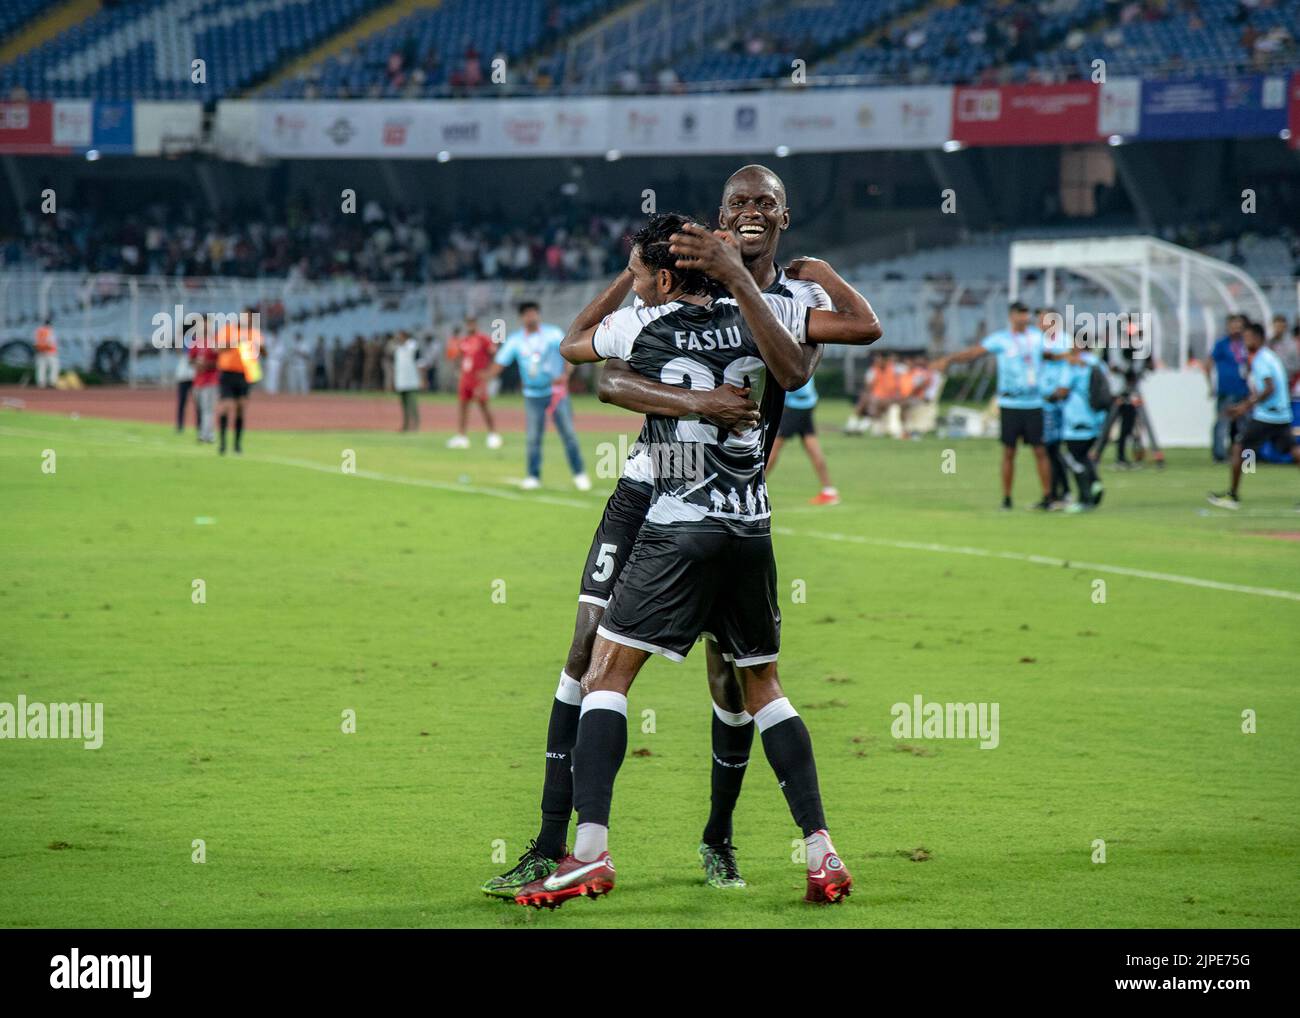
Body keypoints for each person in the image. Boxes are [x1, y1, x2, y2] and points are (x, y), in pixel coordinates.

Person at [480, 165, 866, 900]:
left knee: (658, 677)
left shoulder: (751, 305)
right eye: (736, 209)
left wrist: (687, 287)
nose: (747, 217)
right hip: (702, 509)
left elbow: (591, 362)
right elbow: (608, 371)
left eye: (761, 207)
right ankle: (551, 840)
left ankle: (671, 840)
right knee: (611, 654)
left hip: (682, 514)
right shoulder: (768, 313)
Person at [934, 302, 1055, 510]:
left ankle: (1048, 497)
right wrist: (951, 359)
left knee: (1040, 450)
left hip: (1034, 402)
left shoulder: (1037, 338)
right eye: (1021, 314)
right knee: (1009, 452)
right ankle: (1007, 498)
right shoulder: (1001, 339)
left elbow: (1055, 353)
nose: (1024, 318)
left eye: (1026, 314)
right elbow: (974, 353)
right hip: (1010, 402)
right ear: (1011, 316)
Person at [487, 302, 590, 491]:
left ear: (538, 315)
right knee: (533, 437)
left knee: (568, 435)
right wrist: (485, 380)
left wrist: (566, 375)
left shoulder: (553, 334)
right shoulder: (516, 340)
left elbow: (570, 354)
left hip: (556, 393)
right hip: (532, 394)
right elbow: (500, 362)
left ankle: (580, 474)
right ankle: (533, 476)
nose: (531, 317)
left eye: (533, 313)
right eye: (526, 314)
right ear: (521, 318)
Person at [1208, 321, 1299, 509]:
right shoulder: (1268, 356)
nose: (1246, 341)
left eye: (1249, 338)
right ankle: (1236, 489)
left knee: (1239, 447)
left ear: (1259, 338)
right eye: (1244, 338)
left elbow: (1269, 388)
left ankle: (1232, 496)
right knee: (1293, 451)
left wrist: (1244, 407)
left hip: (1267, 415)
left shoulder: (1261, 359)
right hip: (1280, 414)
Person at [766, 376, 839, 505]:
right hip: (807, 403)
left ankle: (755, 488)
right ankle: (829, 491)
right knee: (813, 448)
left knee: (773, 446)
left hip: (795, 406)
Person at [1055, 344, 1105, 512]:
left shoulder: (1074, 364)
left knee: (1074, 458)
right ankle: (1095, 483)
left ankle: (1085, 499)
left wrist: (1050, 397)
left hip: (1077, 418)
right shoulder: (1098, 364)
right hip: (1096, 418)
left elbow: (1063, 389)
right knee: (1085, 456)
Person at [446, 317, 501, 449]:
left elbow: (494, 354)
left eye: (472, 323)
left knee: (483, 405)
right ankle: (461, 436)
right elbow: (459, 357)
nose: (470, 326)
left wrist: (488, 371)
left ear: (476, 324)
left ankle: (493, 434)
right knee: (463, 406)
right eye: (468, 323)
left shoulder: (483, 339)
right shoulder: (464, 341)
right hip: (466, 378)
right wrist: (458, 370)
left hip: (478, 378)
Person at [215, 308, 261, 455]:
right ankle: (222, 443)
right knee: (226, 407)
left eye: (249, 317)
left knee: (241, 408)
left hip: (244, 374)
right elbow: (218, 348)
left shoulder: (254, 333)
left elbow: (261, 351)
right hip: (228, 373)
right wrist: (235, 342)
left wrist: (258, 347)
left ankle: (237, 444)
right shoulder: (228, 330)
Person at [1037, 309, 1071, 508]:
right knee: (1049, 448)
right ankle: (1056, 492)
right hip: (1044, 401)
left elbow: (1069, 361)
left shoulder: (1063, 341)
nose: (1039, 323)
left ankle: (1062, 492)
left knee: (1053, 448)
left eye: (1043, 319)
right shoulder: (1041, 341)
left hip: (1057, 402)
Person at [1205, 314, 1249, 463]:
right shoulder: (1222, 344)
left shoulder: (1246, 344)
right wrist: (1210, 385)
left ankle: (1244, 456)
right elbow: (1209, 363)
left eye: (1239, 326)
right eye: (1233, 326)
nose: (1236, 329)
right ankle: (1219, 455)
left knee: (1242, 425)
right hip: (1226, 390)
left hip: (1243, 390)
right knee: (1222, 423)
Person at [191, 323, 219, 444]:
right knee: (201, 408)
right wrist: (196, 364)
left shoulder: (215, 342)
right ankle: (204, 432)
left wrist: (206, 365)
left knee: (208, 408)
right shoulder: (197, 342)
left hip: (211, 380)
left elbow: (220, 361)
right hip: (198, 380)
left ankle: (207, 434)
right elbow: (191, 359)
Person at [392, 330, 423, 432]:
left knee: (412, 403)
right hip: (401, 380)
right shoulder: (398, 348)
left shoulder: (413, 347)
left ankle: (416, 424)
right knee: (403, 404)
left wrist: (422, 378)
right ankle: (405, 425)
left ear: (405, 336)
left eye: (400, 336)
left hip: (412, 380)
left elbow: (420, 363)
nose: (398, 338)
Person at [174, 346, 195, 433]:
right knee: (181, 403)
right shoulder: (183, 346)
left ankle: (200, 426)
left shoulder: (197, 345)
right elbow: (178, 353)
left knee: (198, 403)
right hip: (183, 377)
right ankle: (180, 425)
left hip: (194, 377)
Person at [34, 318, 58, 389]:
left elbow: (36, 342)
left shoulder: (38, 331)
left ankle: (41, 383)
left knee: (41, 367)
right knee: (54, 367)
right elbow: (50, 342)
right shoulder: (49, 331)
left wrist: (40, 349)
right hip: (50, 351)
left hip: (40, 351)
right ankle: (52, 382)